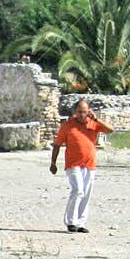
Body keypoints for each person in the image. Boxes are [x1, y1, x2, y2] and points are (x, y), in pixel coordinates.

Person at [49, 99, 113, 233]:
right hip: (73, 164)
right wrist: (53, 163)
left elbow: (110, 130)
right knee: (78, 190)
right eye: (79, 112)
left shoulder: (93, 123)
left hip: (89, 163)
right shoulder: (67, 126)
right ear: (75, 112)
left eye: (84, 112)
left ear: (88, 111)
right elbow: (57, 145)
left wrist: (97, 119)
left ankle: (81, 222)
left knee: (86, 194)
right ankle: (71, 222)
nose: (82, 115)